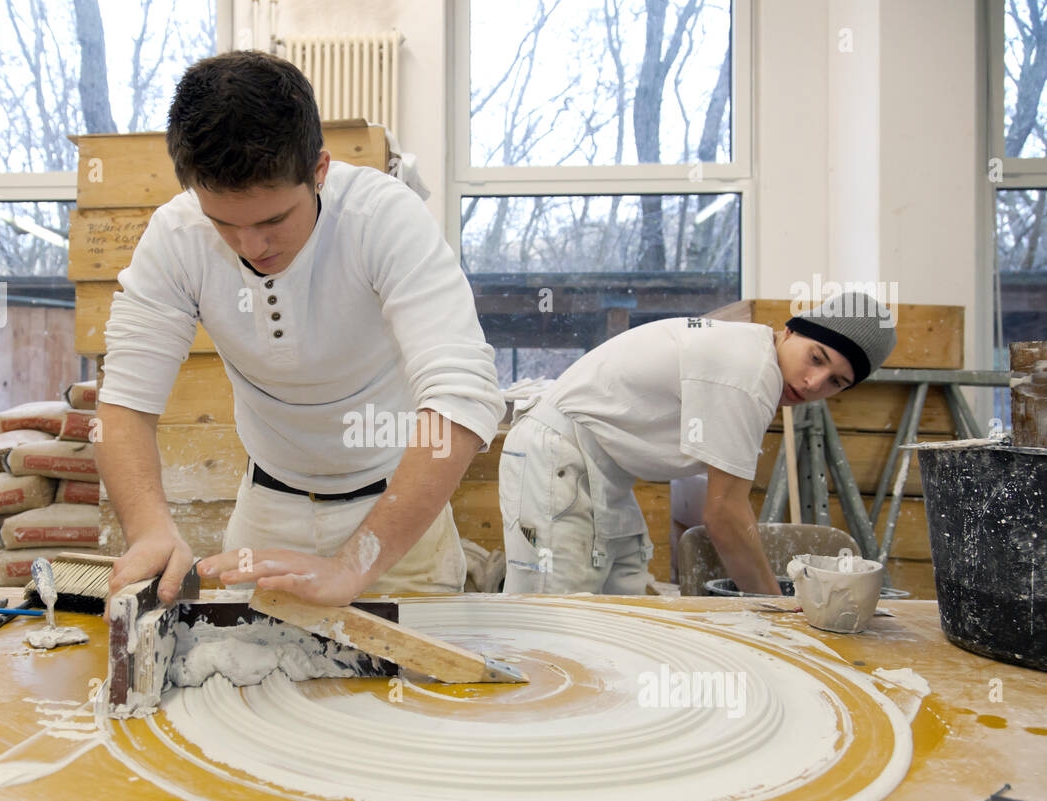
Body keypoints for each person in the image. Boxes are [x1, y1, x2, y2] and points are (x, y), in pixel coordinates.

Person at [95, 51, 504, 610]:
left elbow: (461, 399)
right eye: (224, 224)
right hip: (267, 509)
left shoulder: (382, 219)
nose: (251, 247)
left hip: (398, 519)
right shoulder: (176, 236)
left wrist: (352, 566)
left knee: (412, 692)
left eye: (272, 221)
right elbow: (124, 403)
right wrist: (148, 529)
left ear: (319, 170)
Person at [498, 292, 897, 596]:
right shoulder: (750, 371)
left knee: (621, 602)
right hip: (557, 456)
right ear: (790, 331)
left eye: (835, 382)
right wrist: (778, 610)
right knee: (557, 617)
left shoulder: (750, 356)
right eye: (816, 357)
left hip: (598, 466)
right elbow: (723, 513)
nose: (814, 383)